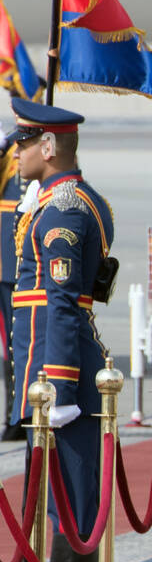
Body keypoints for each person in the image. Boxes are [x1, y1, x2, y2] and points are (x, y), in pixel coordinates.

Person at [7, 97, 112, 562]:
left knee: (71, 505)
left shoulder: (65, 211)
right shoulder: (53, 203)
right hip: (44, 379)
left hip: (59, 382)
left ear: (48, 147)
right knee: (50, 504)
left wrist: (61, 386)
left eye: (23, 143)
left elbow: (64, 302)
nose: (16, 152)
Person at [0, 136, 25, 441]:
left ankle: (18, 414)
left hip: (17, 267)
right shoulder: (7, 159)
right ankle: (14, 413)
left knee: (19, 344)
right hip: (5, 265)